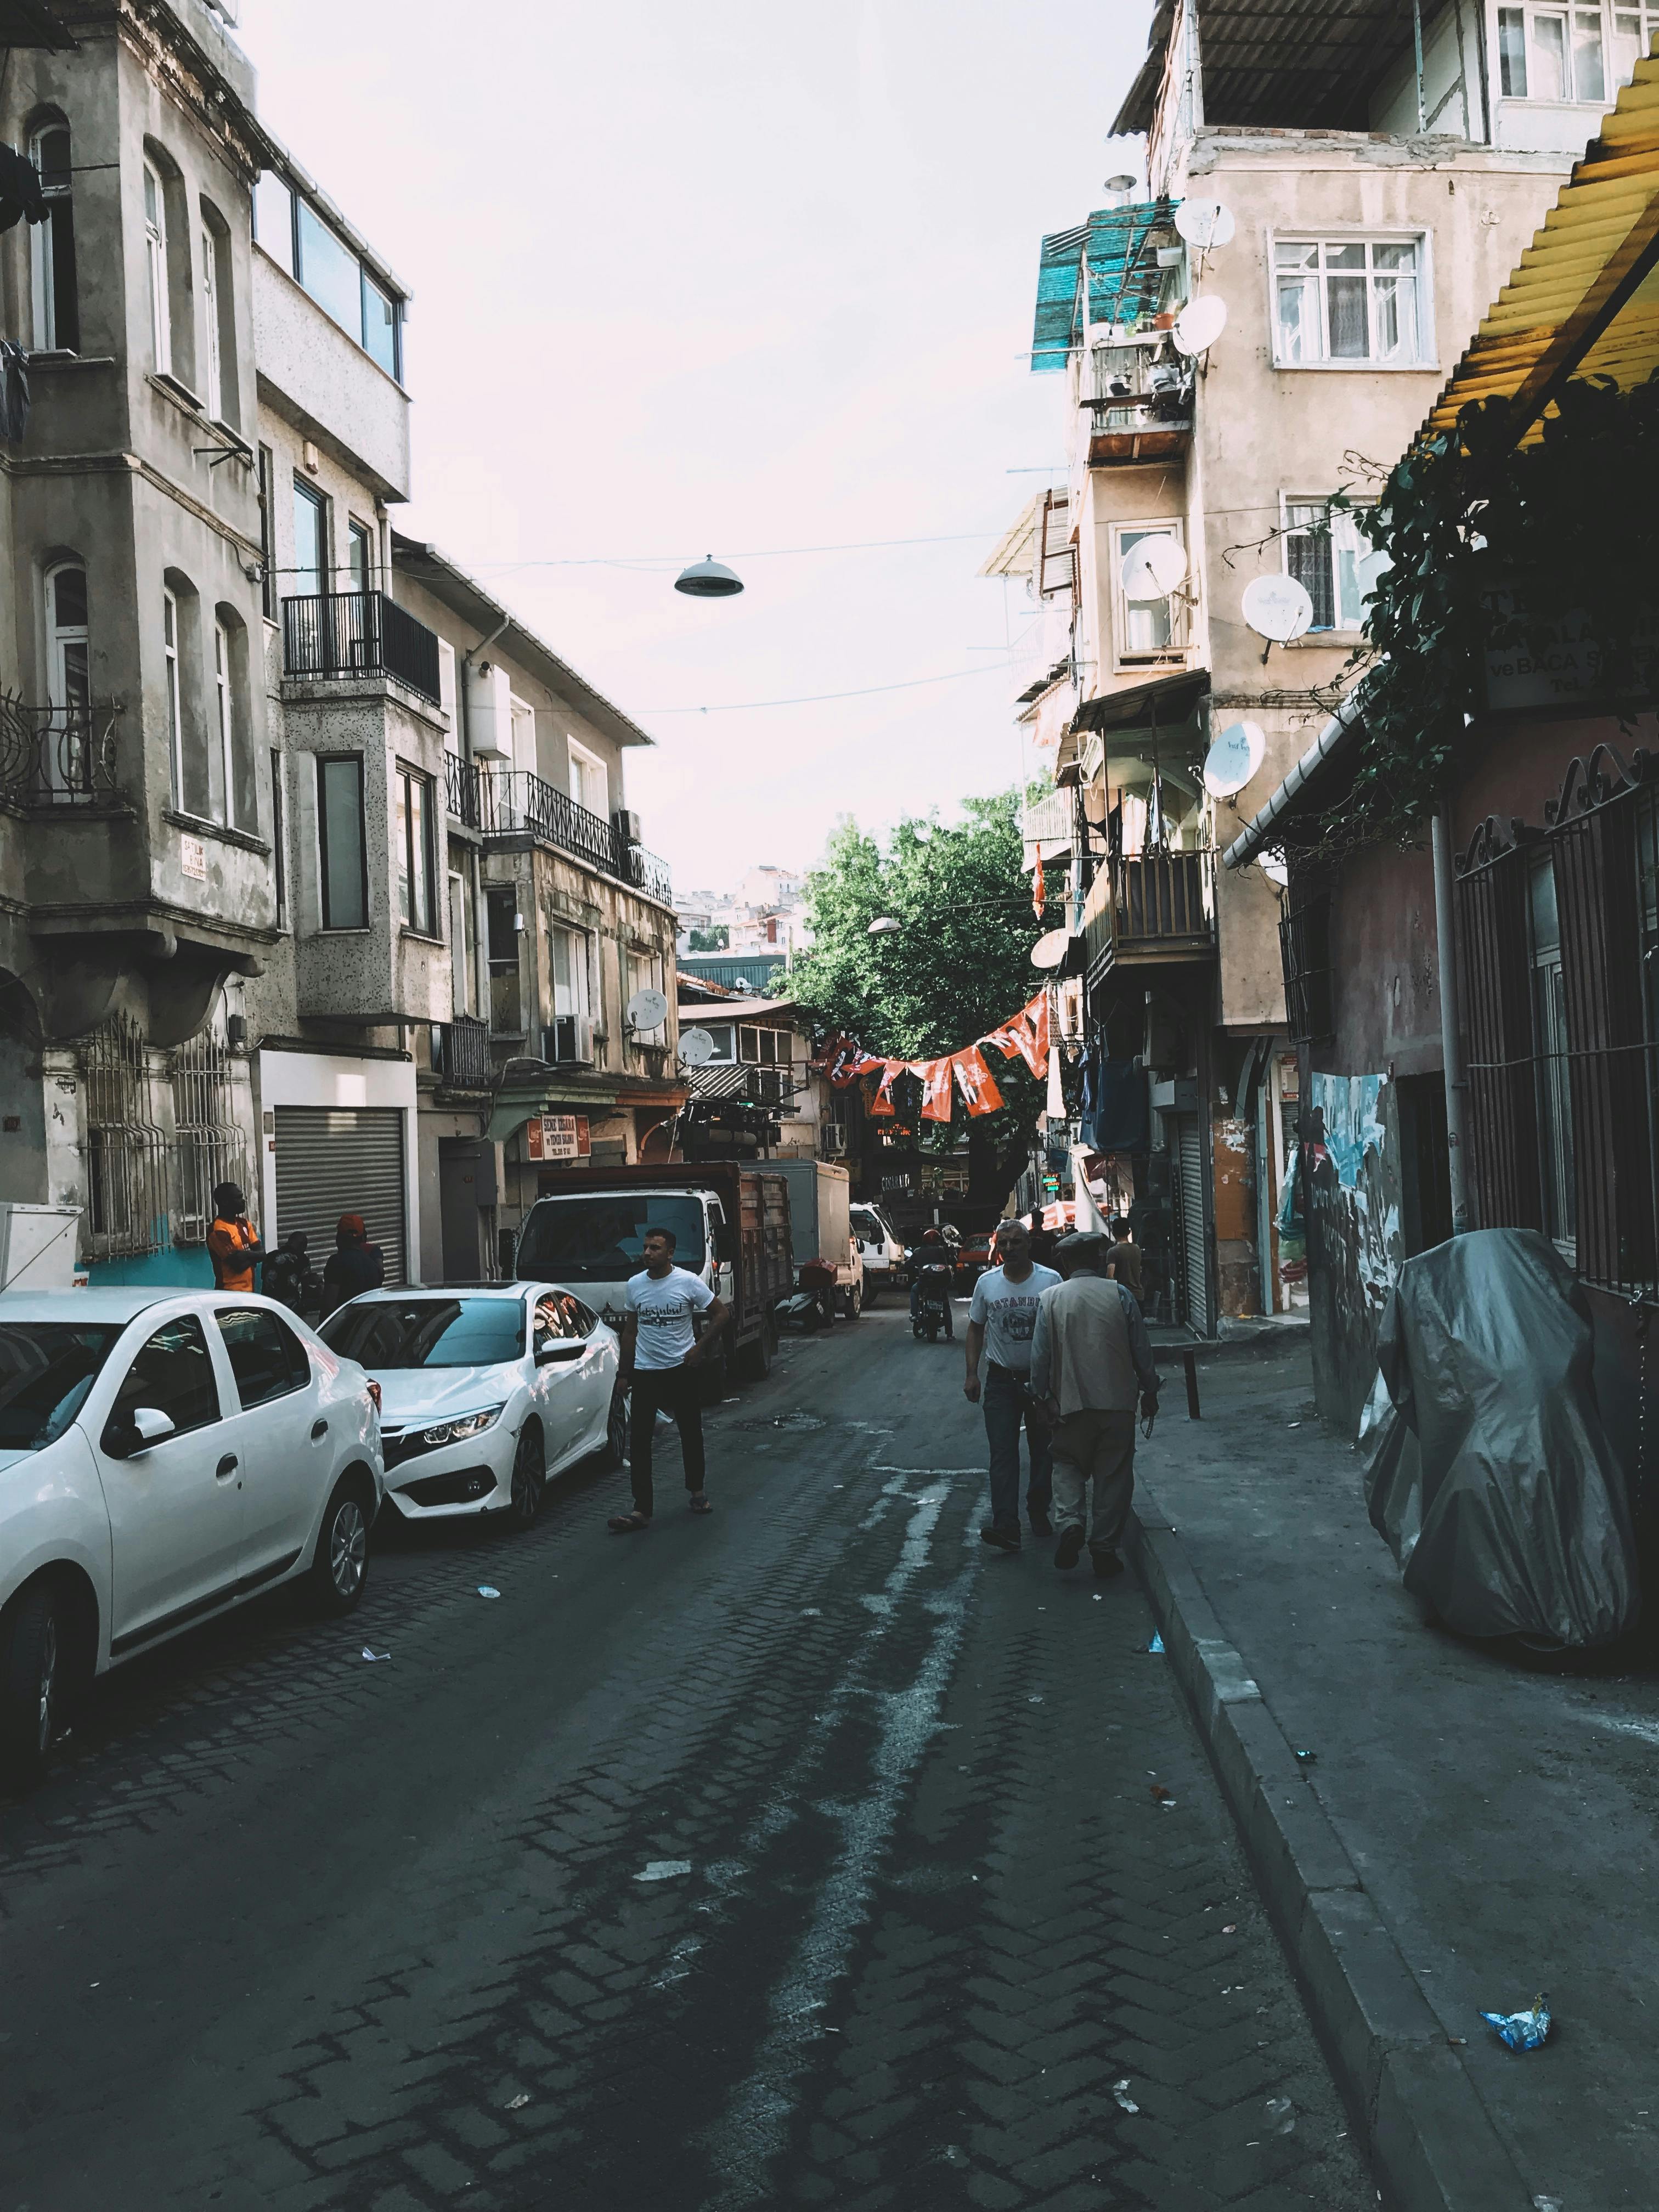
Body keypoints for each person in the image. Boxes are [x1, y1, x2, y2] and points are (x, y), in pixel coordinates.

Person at [1029, 1229, 1160, 1579]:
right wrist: (1150, 1390)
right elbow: (1141, 1350)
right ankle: (1103, 1548)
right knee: (1113, 1476)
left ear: (1065, 1262)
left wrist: (1041, 1398)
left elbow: (1039, 1359)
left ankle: (1071, 1523)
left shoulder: (1050, 1299)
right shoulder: (1119, 1295)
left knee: (1067, 1464)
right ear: (1099, 1259)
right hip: (1117, 1404)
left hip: (1068, 1405)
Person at [608, 1224, 730, 1533]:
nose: (647, 1253)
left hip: (682, 1370)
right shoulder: (635, 1285)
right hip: (646, 1372)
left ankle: (697, 1492)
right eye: (646, 1247)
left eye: (655, 1248)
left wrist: (699, 1349)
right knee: (639, 1441)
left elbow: (721, 1314)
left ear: (670, 1253)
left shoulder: (688, 1283)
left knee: (691, 1434)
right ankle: (641, 1509)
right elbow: (631, 1332)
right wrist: (624, 1373)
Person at [963, 1217, 1062, 1552]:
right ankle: (1006, 1524)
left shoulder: (1050, 1281)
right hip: (1001, 1382)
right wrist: (972, 1373)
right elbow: (976, 1328)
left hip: (1041, 1382)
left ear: (1028, 1244)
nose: (1009, 1249)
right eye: (1003, 1244)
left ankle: (1038, 1509)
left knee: (1044, 1451)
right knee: (1002, 1453)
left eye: (1015, 1243)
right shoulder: (987, 1284)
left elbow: (1062, 1332)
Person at [321, 1213, 385, 1316]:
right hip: (363, 1327)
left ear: (339, 1237)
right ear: (363, 1237)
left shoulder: (336, 1262)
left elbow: (329, 1306)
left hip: (344, 1327)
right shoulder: (372, 1265)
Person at [207, 1183, 264, 1293]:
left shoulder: (244, 1224)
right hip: (230, 1293)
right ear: (225, 1202)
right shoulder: (218, 1229)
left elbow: (262, 1254)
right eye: (238, 1198)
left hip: (249, 1292)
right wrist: (254, 1258)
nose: (243, 1201)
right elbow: (238, 1265)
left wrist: (245, 1255)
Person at [909, 1226, 955, 1340]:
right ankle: (949, 1334)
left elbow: (909, 1264)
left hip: (924, 1283)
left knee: (914, 1290)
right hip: (940, 1284)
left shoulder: (918, 1251)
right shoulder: (940, 1250)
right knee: (945, 1305)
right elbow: (945, 1263)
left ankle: (914, 1314)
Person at [262, 1231, 322, 1318]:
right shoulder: (302, 1260)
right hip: (290, 1310)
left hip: (268, 1307)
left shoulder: (270, 1256)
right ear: (302, 1246)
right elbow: (306, 1288)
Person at [1105, 1215, 1144, 1307]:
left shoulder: (1113, 1252)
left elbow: (1110, 1276)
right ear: (1129, 1232)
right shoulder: (1137, 1249)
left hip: (1123, 1297)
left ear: (1113, 1233)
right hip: (1139, 1295)